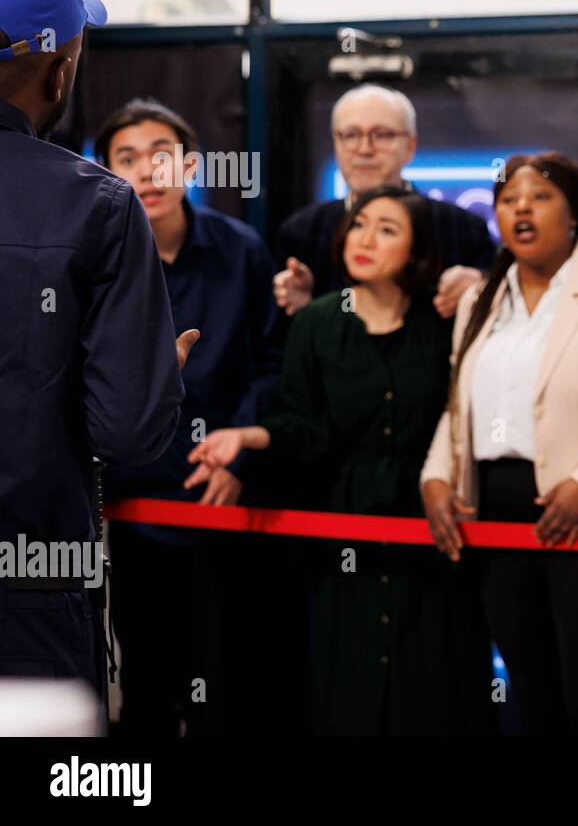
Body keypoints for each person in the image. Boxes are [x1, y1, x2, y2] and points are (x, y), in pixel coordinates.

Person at [187, 186, 496, 736]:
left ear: (418, 249)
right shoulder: (317, 322)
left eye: (386, 229)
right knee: (348, 684)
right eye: (358, 224)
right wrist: (247, 436)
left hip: (430, 524)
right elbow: (308, 431)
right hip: (342, 526)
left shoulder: (443, 321)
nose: (365, 239)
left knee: (435, 683)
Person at [0, 0, 197, 713]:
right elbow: (127, 431)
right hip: (32, 585)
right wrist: (153, 376)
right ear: (59, 71)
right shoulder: (99, 207)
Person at [421, 152, 578, 736]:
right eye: (508, 200)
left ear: (575, 213)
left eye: (539, 197)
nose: (520, 209)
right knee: (533, 694)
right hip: (499, 515)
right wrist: (435, 477)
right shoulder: (480, 299)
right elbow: (458, 407)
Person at [93, 98, 281, 735]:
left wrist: (242, 451)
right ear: (105, 170)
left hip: (228, 498)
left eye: (161, 156)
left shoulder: (239, 248)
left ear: (191, 166)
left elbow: (271, 361)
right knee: (145, 683)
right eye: (126, 159)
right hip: (136, 506)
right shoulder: (95, 259)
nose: (147, 172)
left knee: (232, 682)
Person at [273, 83, 495, 320]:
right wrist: (303, 311)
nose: (365, 149)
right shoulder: (301, 233)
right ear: (335, 143)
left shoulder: (461, 229)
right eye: (351, 135)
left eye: (381, 135)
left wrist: (481, 285)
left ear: (410, 146)